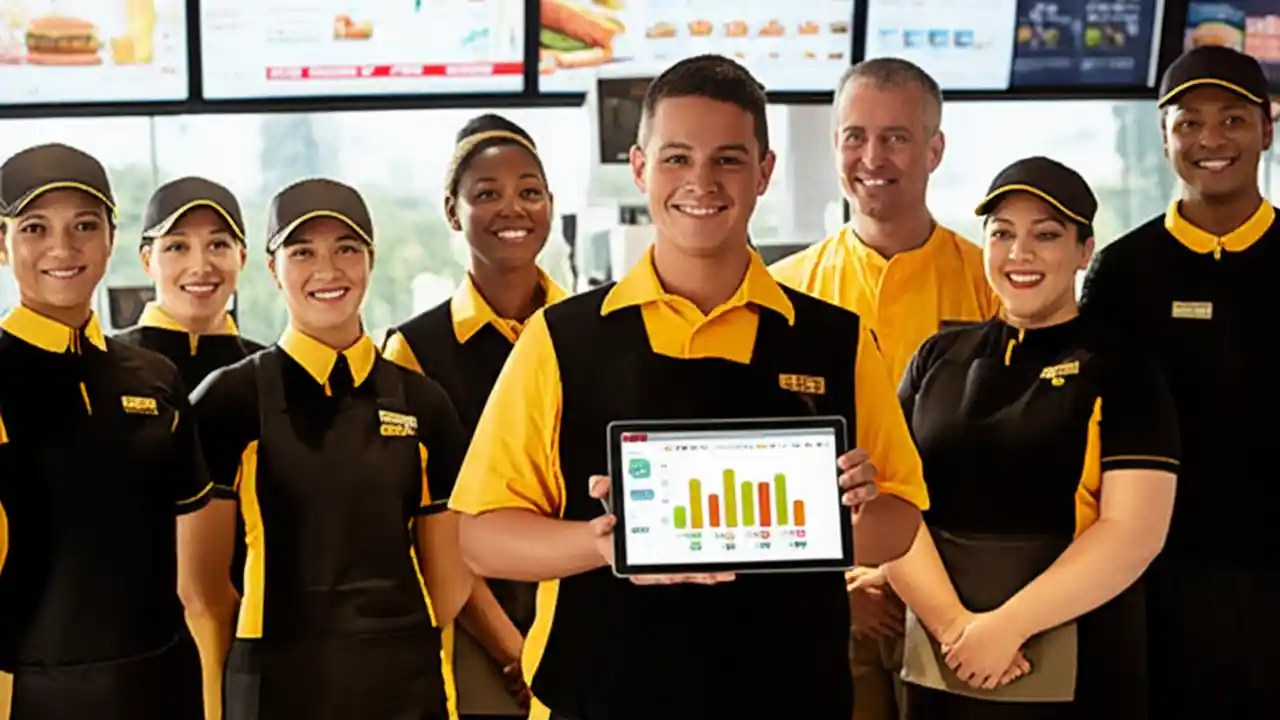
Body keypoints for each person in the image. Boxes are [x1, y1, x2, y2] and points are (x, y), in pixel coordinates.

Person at [447, 54, 927, 720]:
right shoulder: (562, 340)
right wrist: (601, 543)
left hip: (789, 695)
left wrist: (838, 519)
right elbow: (480, 536)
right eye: (677, 158)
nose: (701, 181)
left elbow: (900, 522)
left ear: (764, 171)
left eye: (728, 159)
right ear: (640, 168)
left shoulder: (834, 340)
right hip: (599, 697)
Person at [888, 157, 1178, 719]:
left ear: (1084, 252)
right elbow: (892, 500)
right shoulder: (936, 358)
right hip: (943, 657)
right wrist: (956, 629)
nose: (1020, 254)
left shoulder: (1122, 367)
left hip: (1081, 662)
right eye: (1002, 233)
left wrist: (1007, 629)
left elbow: (1134, 532)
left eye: (1045, 235)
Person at [185, 178, 474, 719]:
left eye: (346, 248)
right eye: (303, 252)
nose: (328, 270)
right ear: (272, 268)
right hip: (275, 682)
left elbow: (449, 576)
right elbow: (202, 591)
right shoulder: (230, 399)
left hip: (402, 681)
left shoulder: (422, 401)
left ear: (370, 259)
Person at [770, 57, 999, 720]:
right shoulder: (782, 295)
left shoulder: (990, 285)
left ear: (935, 149)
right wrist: (842, 584)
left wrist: (918, 584)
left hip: (968, 604)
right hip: (825, 606)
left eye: (896, 137)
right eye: (854, 136)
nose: (872, 156)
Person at [1080, 45, 1279, 715]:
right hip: (1154, 579)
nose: (1210, 140)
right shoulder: (1121, 273)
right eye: (1188, 122)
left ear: (1267, 130)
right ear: (1163, 137)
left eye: (1232, 120)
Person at [0, 143, 209, 718]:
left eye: (84, 226)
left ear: (111, 239)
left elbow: (194, 572)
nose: (62, 249)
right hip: (37, 690)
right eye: (35, 228)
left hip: (164, 678)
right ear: (2, 242)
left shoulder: (156, 377)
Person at [384, 114, 566, 719]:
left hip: (582, 624)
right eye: (486, 193)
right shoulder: (415, 350)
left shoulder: (591, 329)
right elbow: (429, 524)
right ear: (452, 211)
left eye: (529, 191)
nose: (512, 208)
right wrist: (514, 651)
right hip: (477, 632)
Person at [116, 176, 266, 392]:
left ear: (241, 258)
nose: (200, 267)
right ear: (147, 261)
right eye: (177, 247)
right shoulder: (105, 366)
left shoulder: (269, 374)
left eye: (217, 245)